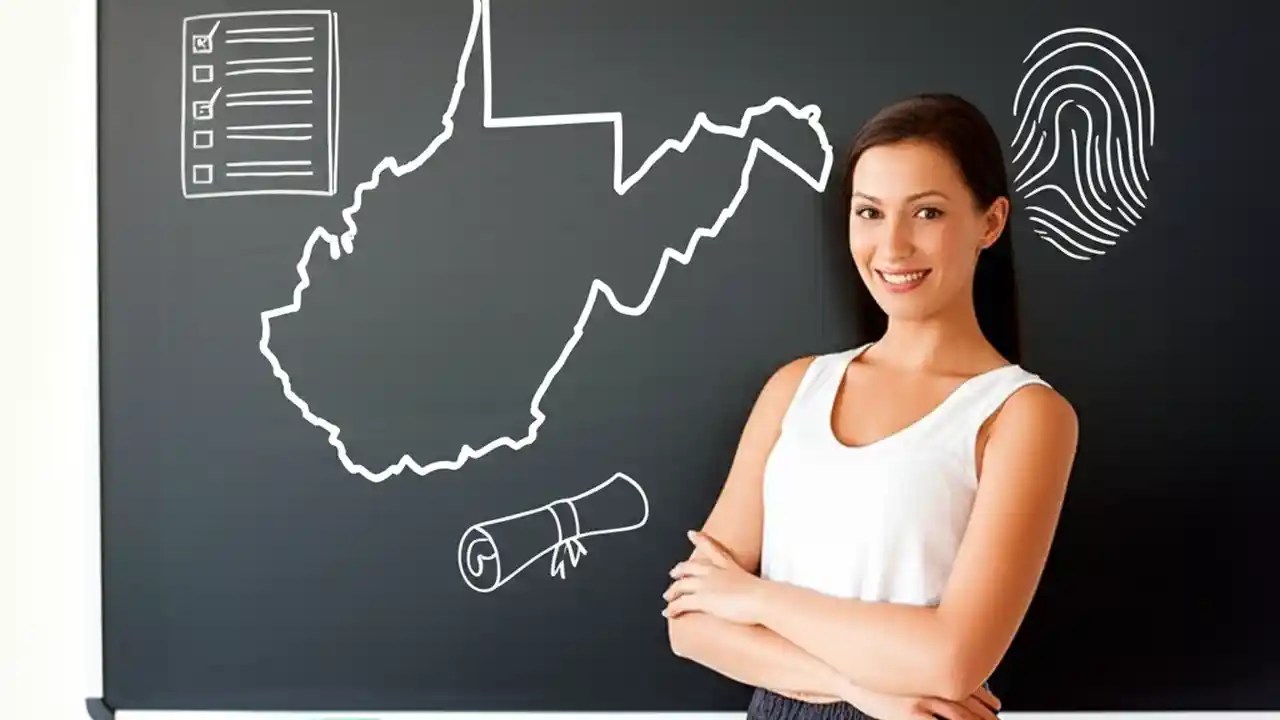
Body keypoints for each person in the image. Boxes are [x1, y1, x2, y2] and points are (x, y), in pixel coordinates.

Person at [662, 93, 1080, 720]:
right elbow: (690, 623)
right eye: (869, 213)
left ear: (990, 223)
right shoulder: (795, 388)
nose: (893, 246)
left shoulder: (1023, 414)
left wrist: (754, 600)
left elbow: (951, 660)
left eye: (928, 213)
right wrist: (860, 687)